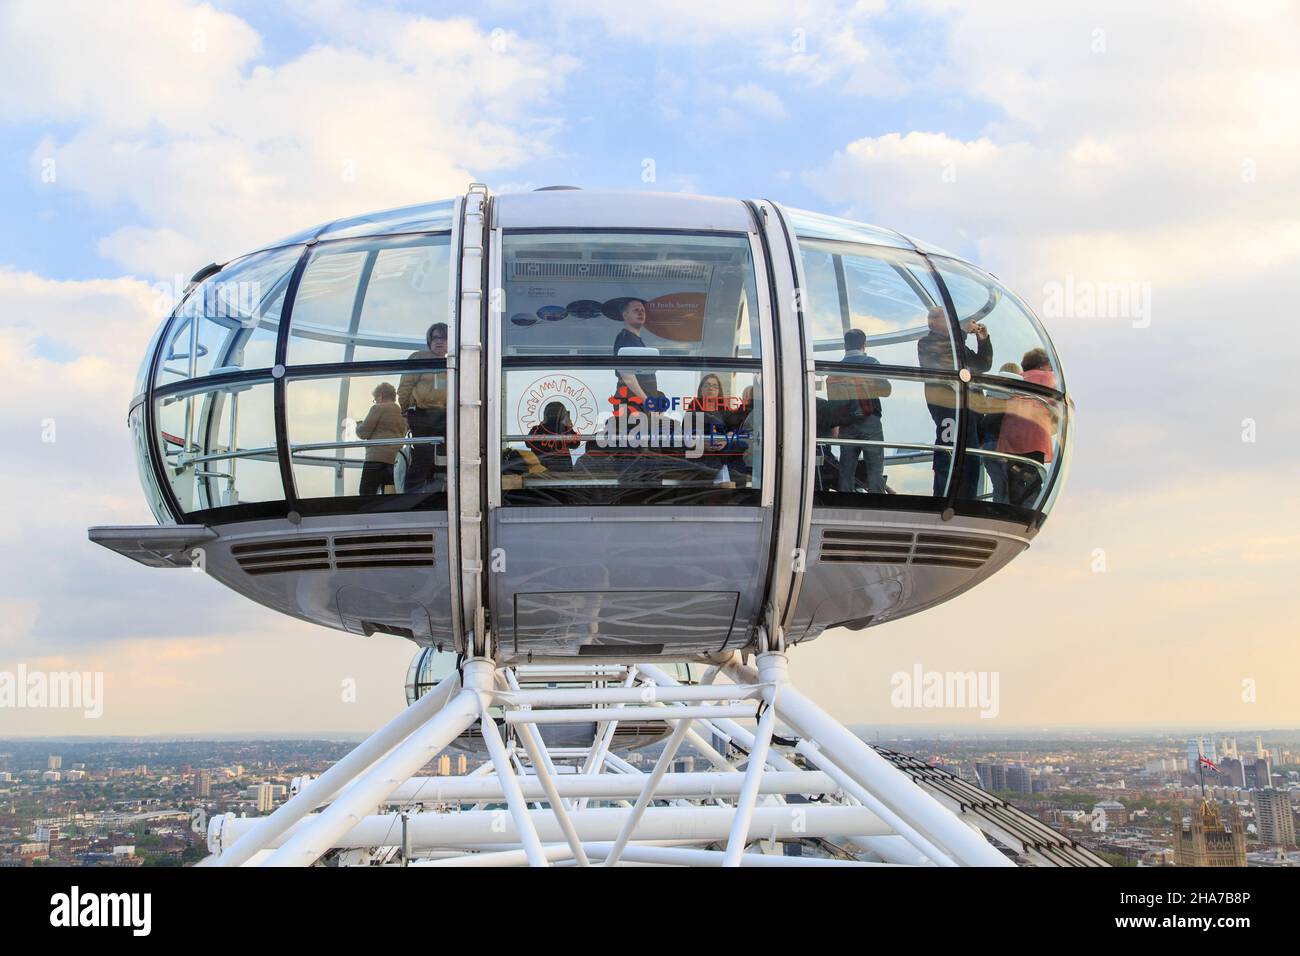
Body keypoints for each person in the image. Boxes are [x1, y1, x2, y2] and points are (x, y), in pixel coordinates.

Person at [917, 306, 991, 497]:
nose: (952, 323)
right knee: (949, 451)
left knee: (972, 459)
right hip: (948, 407)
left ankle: (967, 500)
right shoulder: (927, 343)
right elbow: (949, 360)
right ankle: (944, 498)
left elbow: (983, 364)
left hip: (969, 409)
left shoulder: (957, 344)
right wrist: (963, 333)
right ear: (935, 322)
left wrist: (983, 340)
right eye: (947, 319)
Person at [827, 329, 891, 493]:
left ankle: (845, 504)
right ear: (864, 344)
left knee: (846, 471)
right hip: (870, 420)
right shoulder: (871, 362)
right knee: (875, 470)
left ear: (845, 345)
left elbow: (833, 401)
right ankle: (876, 505)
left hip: (846, 423)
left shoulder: (835, 369)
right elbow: (886, 390)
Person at [998, 348, 1057, 508]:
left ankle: (1013, 509)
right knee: (1032, 481)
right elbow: (1056, 405)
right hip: (1034, 437)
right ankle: (1026, 511)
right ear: (1044, 365)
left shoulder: (1018, 379)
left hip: (1011, 436)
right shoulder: (1048, 378)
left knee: (1014, 480)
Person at [397, 322, 448, 491]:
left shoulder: (460, 360)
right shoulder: (419, 357)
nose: (439, 341)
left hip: (450, 415)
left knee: (451, 457)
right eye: (435, 338)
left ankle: (444, 498)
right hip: (422, 415)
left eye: (444, 337)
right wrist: (406, 410)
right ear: (429, 340)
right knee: (422, 458)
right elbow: (405, 386)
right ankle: (412, 501)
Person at [973, 362, 1021, 503]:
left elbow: (986, 419)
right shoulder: (1015, 397)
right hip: (1003, 446)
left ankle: (997, 509)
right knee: (1009, 484)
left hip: (988, 447)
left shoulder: (992, 394)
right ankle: (1007, 512)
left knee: (998, 485)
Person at [356, 382, 408, 495]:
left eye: (375, 399)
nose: (375, 401)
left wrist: (359, 425)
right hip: (394, 461)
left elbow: (363, 433)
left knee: (366, 496)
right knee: (389, 498)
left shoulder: (378, 408)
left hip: (375, 460)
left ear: (380, 396)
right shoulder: (402, 413)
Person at [609, 297, 658, 413]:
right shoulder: (625, 338)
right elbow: (627, 374)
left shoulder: (635, 340)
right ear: (625, 315)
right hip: (633, 403)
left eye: (643, 311)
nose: (641, 312)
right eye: (636, 310)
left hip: (638, 403)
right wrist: (646, 400)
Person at [526, 401, 581, 472]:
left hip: (541, 471)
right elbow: (575, 444)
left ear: (545, 414)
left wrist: (542, 425)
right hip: (564, 470)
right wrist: (569, 428)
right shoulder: (565, 429)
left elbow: (528, 443)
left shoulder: (537, 429)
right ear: (563, 416)